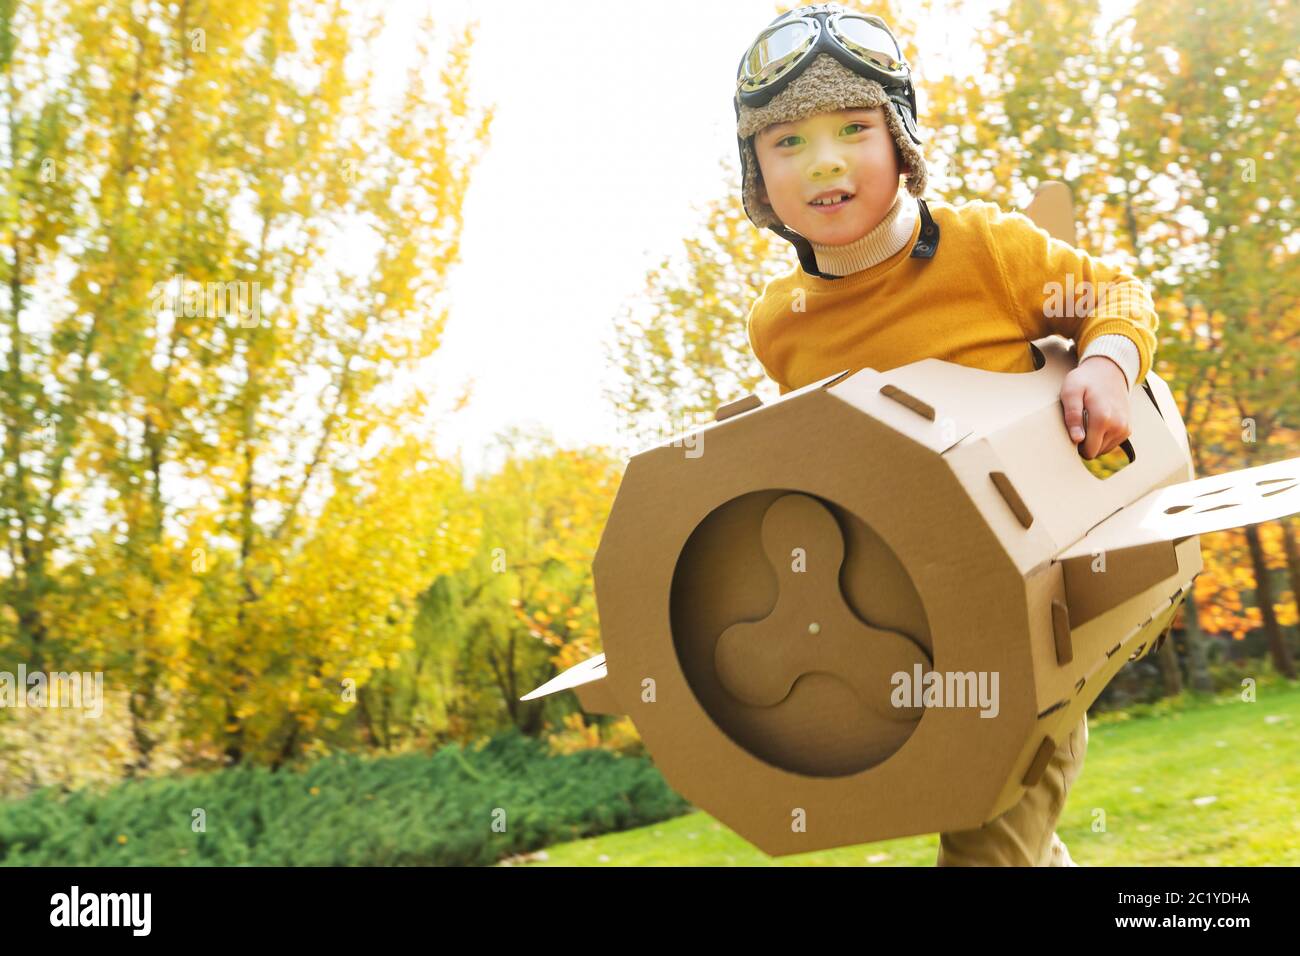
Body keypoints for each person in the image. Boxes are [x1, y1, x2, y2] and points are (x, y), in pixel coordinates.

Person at [734, 4, 1160, 866]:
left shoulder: (983, 248)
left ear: (900, 141)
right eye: (786, 143)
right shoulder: (779, 323)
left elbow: (1116, 296)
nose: (824, 161)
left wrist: (1107, 365)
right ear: (757, 177)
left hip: (1039, 620)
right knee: (998, 838)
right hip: (909, 629)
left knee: (985, 846)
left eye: (854, 128)